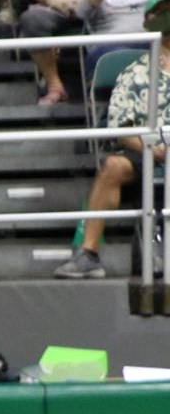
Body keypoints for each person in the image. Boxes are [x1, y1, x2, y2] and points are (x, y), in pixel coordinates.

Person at [55, 42, 170, 277]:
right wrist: (153, 148)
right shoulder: (135, 73)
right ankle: (87, 255)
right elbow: (121, 130)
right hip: (148, 151)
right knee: (113, 166)